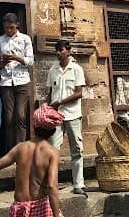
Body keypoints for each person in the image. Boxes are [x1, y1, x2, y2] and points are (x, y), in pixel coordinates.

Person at [0, 105, 64, 217]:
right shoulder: (52, 153)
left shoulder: (20, 148)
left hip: (19, 209)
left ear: (34, 127)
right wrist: (56, 215)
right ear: (53, 130)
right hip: (41, 207)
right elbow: (52, 186)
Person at [46, 39, 87, 197]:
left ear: (68, 51)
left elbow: (79, 93)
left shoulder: (76, 69)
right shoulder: (53, 70)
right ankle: (52, 184)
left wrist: (60, 102)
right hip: (56, 116)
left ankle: (79, 184)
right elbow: (50, 94)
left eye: (61, 50)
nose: (58, 53)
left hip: (73, 114)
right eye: (57, 50)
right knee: (53, 149)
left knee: (77, 150)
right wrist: (45, 107)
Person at [0, 13, 35, 148]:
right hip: (6, 81)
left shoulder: (25, 39)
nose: (9, 30)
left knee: (21, 116)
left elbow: (30, 61)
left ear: (17, 25)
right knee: (8, 117)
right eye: (6, 28)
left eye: (11, 27)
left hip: (22, 80)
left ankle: (20, 149)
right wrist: (3, 63)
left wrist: (16, 58)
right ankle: (10, 151)